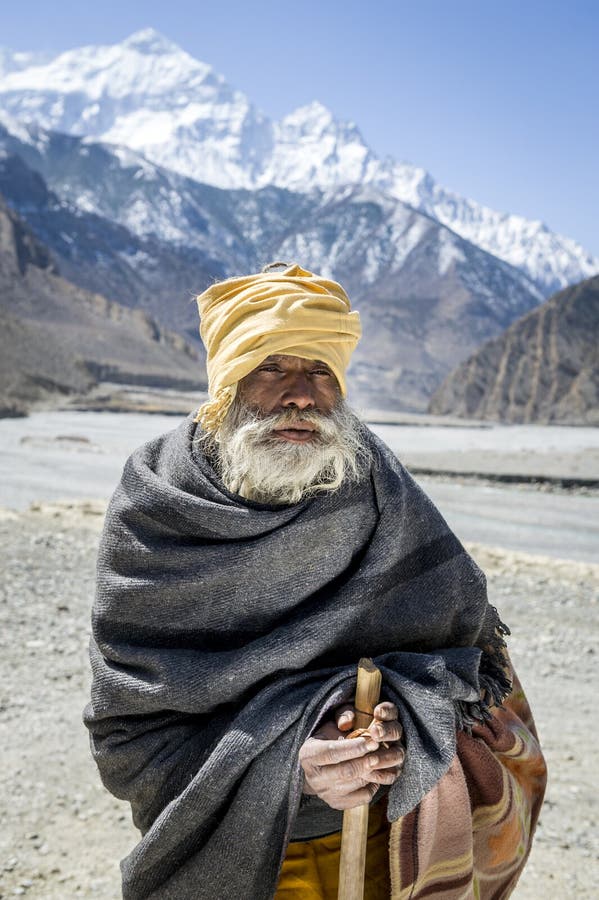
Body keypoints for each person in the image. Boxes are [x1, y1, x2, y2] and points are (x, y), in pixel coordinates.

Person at [84, 263, 547, 900]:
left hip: (387, 837)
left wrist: (400, 718)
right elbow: (130, 736)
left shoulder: (374, 483)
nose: (302, 394)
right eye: (272, 367)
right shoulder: (157, 506)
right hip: (249, 851)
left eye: (321, 370)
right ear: (225, 382)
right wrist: (291, 767)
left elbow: (464, 652)